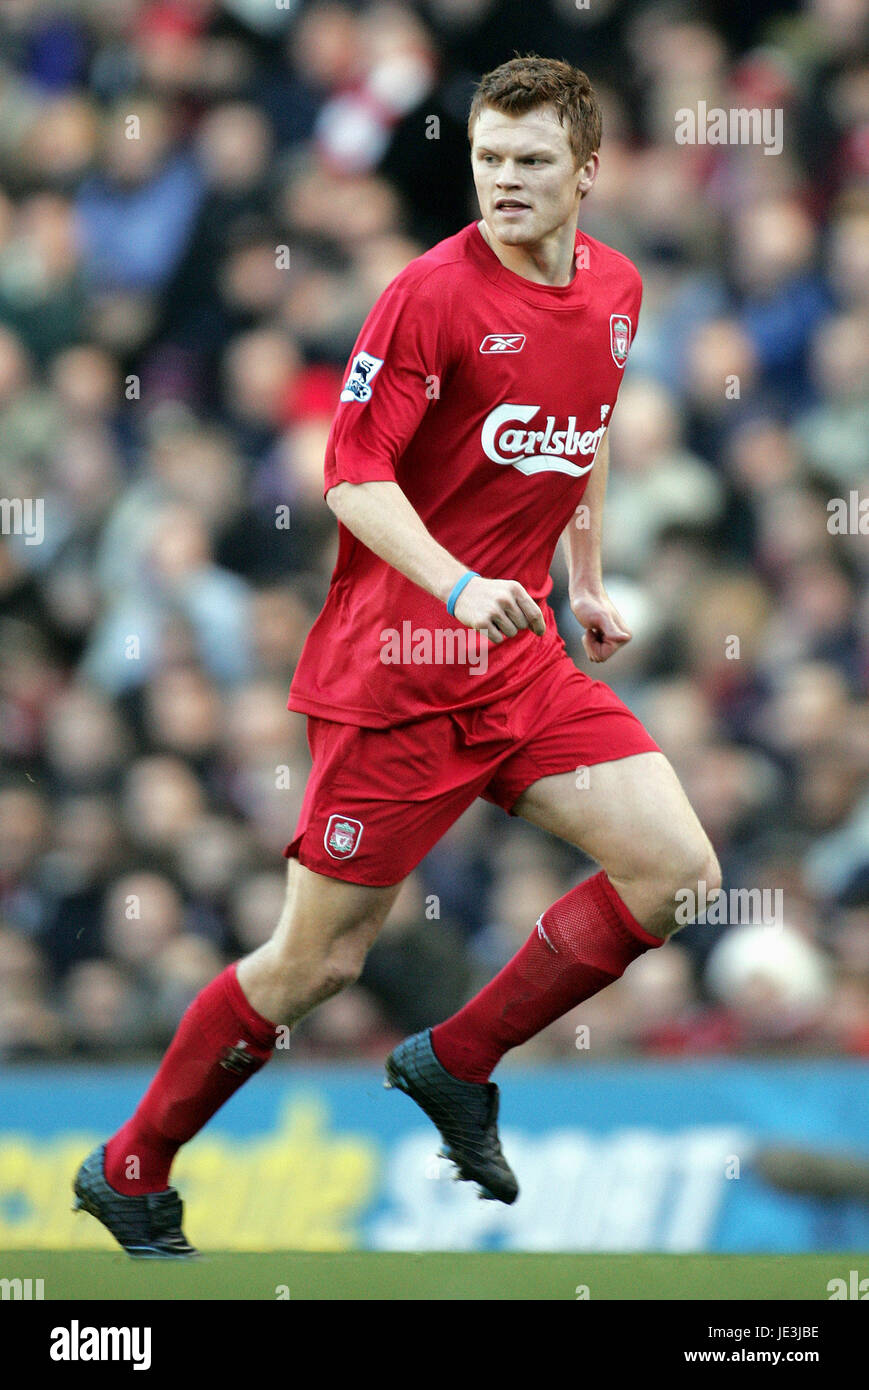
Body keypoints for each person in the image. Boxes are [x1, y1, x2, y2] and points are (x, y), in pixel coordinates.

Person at [74, 55, 720, 1256]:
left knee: (674, 870)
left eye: (531, 160)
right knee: (315, 963)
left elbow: (580, 435)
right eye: (488, 158)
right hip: (398, 677)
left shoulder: (617, 289)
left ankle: (456, 1059)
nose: (505, 180)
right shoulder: (429, 295)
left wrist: (583, 576)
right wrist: (461, 584)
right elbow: (351, 477)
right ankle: (130, 1164)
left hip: (520, 661)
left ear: (588, 170)